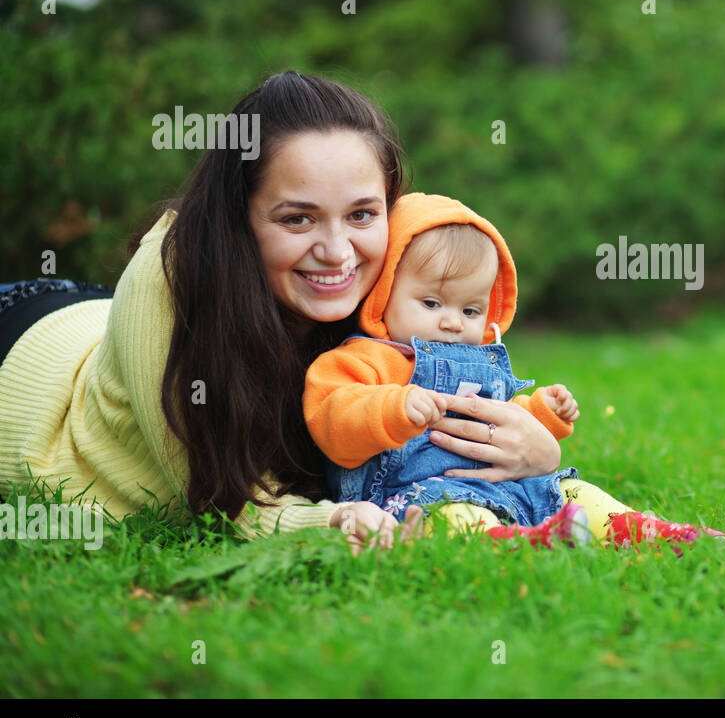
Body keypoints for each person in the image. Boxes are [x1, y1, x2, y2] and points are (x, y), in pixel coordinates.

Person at [0, 71, 564, 555]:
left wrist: (537, 450)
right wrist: (333, 522)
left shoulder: (393, 264)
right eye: (298, 219)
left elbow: (424, 426)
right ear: (238, 215)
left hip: (90, 316)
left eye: (363, 214)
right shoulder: (173, 277)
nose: (338, 252)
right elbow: (219, 503)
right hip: (26, 367)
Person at [304, 192, 725, 549]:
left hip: (505, 484)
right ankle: (519, 543)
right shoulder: (362, 360)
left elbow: (500, 419)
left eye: (470, 309)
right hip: (413, 496)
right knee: (455, 517)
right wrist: (391, 409)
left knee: (569, 489)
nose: (452, 322)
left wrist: (542, 413)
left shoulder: (476, 358)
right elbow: (332, 422)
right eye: (431, 304)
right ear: (384, 291)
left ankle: (643, 530)